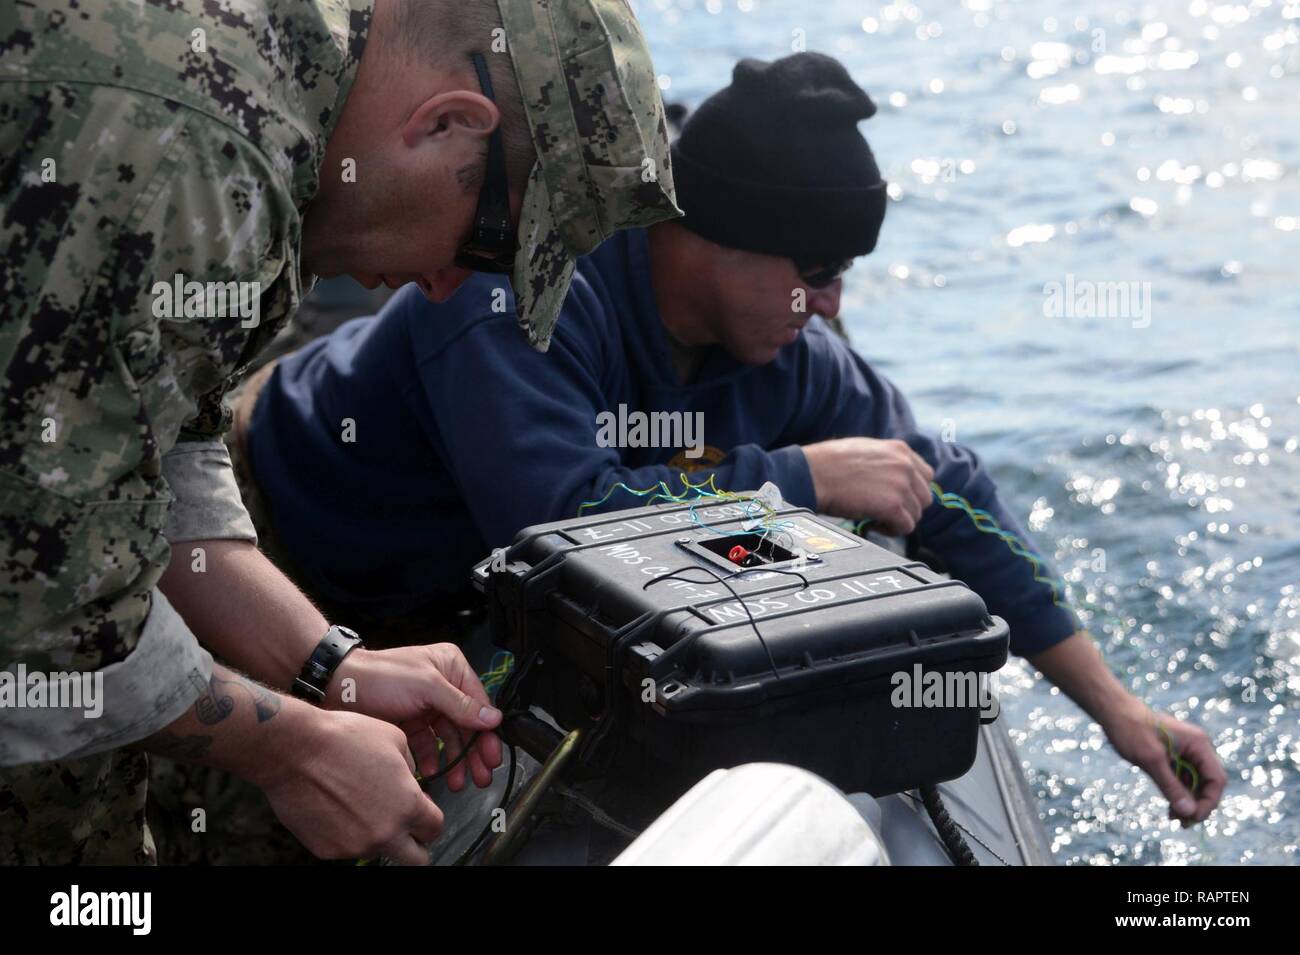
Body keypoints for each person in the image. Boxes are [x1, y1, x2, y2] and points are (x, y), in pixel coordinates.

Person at [237, 53, 1226, 832]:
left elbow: (947, 486)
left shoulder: (785, 348)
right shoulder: (527, 292)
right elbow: (554, 526)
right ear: (713, 235)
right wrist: (793, 481)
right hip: (292, 541)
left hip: (460, 600)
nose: (833, 305)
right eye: (819, 267)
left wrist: (1117, 711)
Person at [0, 0, 681, 864]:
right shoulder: (206, 149)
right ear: (447, 124)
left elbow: (162, 437)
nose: (441, 291)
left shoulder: (280, 95)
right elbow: (38, 612)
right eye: (484, 249)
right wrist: (288, 748)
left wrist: (328, 666)